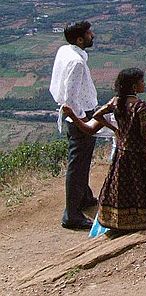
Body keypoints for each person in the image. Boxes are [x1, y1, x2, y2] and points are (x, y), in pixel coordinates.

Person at [62, 68, 146, 231]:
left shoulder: (114, 103)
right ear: (134, 86)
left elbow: (92, 125)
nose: (144, 84)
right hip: (141, 156)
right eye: (142, 81)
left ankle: (124, 223)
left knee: (122, 191)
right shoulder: (139, 107)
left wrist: (75, 116)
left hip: (121, 157)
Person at [49, 21, 99, 230]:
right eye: (88, 33)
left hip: (77, 115)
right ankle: (72, 215)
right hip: (80, 115)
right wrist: (82, 120)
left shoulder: (66, 50)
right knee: (77, 165)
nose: (92, 35)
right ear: (79, 39)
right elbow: (71, 98)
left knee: (82, 160)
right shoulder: (77, 62)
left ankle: (84, 197)